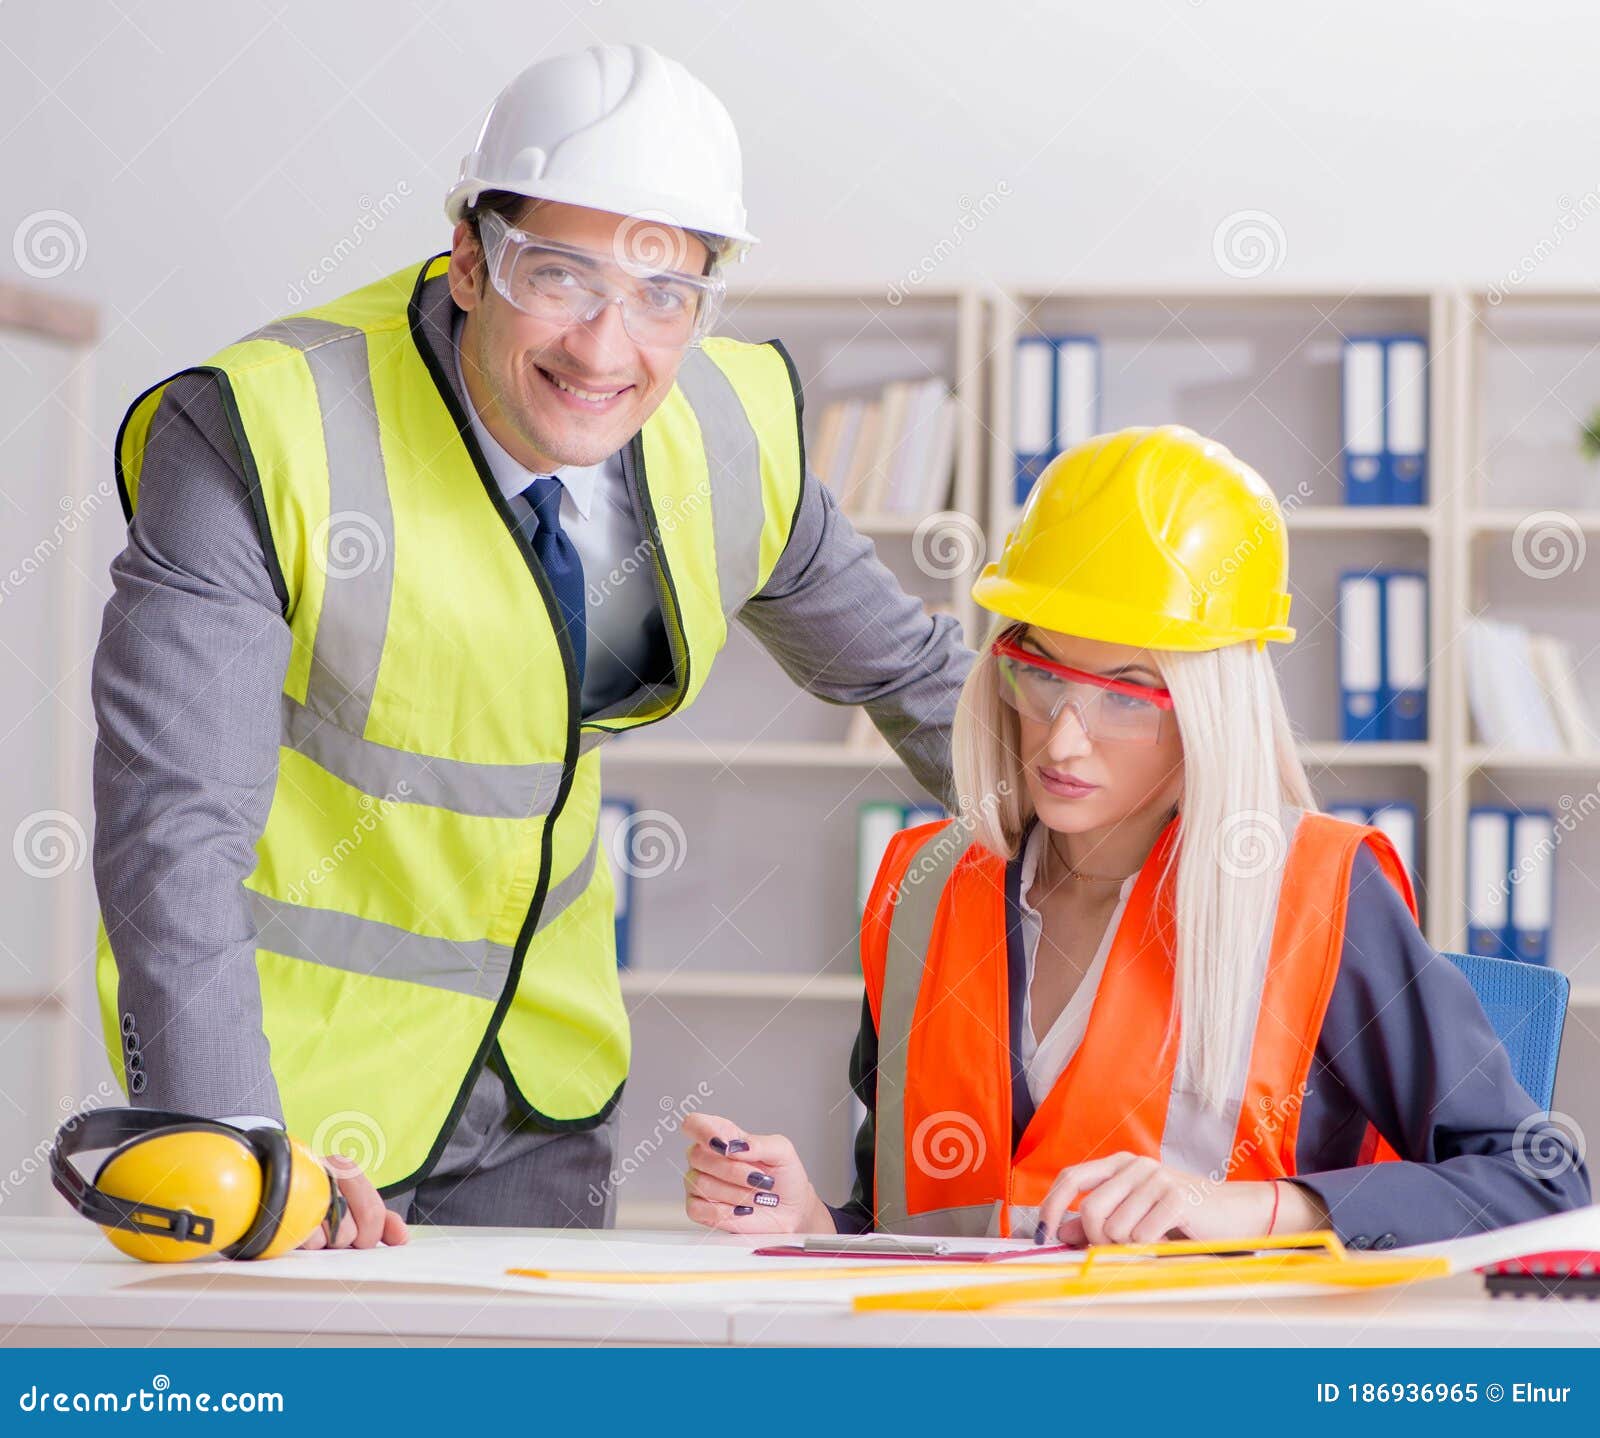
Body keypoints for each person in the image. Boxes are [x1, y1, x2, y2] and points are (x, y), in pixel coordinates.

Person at [90, 43, 970, 1249]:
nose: (607, 351)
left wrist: (1194, 836)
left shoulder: (728, 431)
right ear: (470, 260)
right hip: (296, 1096)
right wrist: (235, 1140)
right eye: (559, 276)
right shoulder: (260, 434)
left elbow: (918, 684)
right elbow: (171, 830)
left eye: (666, 294)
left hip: (542, 1089)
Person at [681, 425, 1592, 1248]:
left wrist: (1264, 1207)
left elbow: (1539, 1180)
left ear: (1210, 709)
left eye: (1126, 693)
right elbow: (916, 1223)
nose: (1063, 738)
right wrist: (811, 1223)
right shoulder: (923, 891)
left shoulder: (1316, 894)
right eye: (1042, 673)